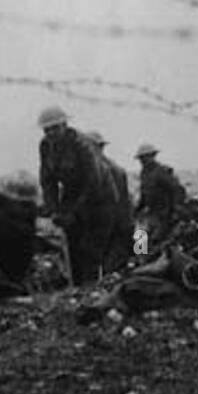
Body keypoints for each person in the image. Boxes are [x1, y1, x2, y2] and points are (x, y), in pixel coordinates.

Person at [38, 108, 131, 284]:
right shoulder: (46, 146)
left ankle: (95, 290)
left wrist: (74, 212)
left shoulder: (86, 148)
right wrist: (55, 209)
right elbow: (47, 180)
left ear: (65, 125)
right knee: (74, 247)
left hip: (100, 202)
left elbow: (94, 184)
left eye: (55, 128)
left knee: (94, 250)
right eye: (46, 130)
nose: (51, 133)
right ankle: (78, 290)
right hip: (74, 197)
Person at [134, 143, 186, 242]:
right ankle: (141, 255)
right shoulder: (144, 173)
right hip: (151, 212)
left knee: (157, 240)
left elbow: (177, 190)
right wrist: (138, 209)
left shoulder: (161, 172)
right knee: (140, 233)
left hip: (164, 213)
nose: (142, 161)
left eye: (144, 158)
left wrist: (176, 208)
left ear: (152, 156)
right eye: (141, 158)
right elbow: (144, 194)